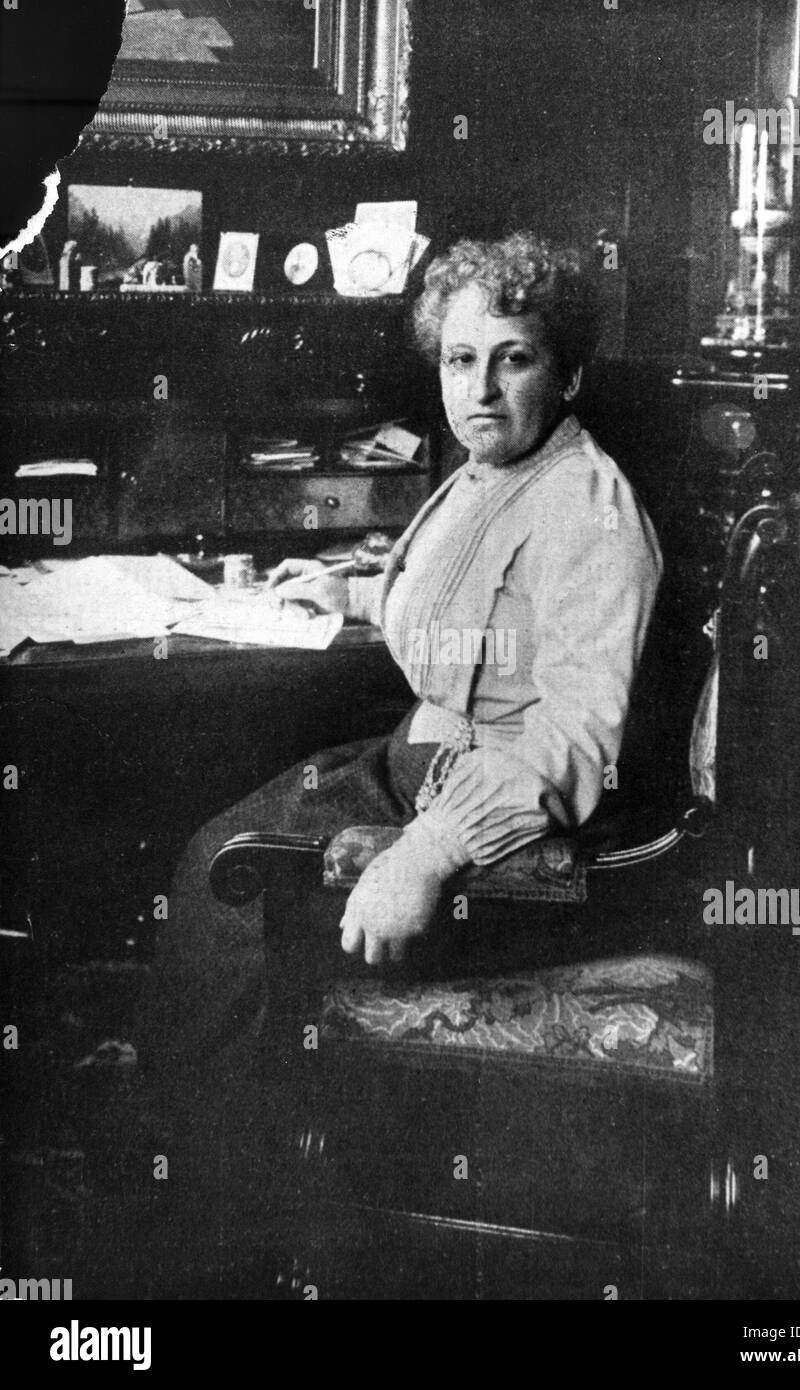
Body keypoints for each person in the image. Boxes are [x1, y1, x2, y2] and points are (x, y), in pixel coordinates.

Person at [134, 231, 662, 1104]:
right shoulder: (489, 470)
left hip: (473, 811)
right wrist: (353, 596)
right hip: (411, 762)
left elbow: (576, 739)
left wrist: (426, 855)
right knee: (209, 838)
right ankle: (179, 1135)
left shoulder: (591, 511)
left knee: (228, 877)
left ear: (566, 377)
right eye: (460, 359)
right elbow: (473, 604)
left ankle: (209, 1181)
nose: (481, 389)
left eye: (513, 359)